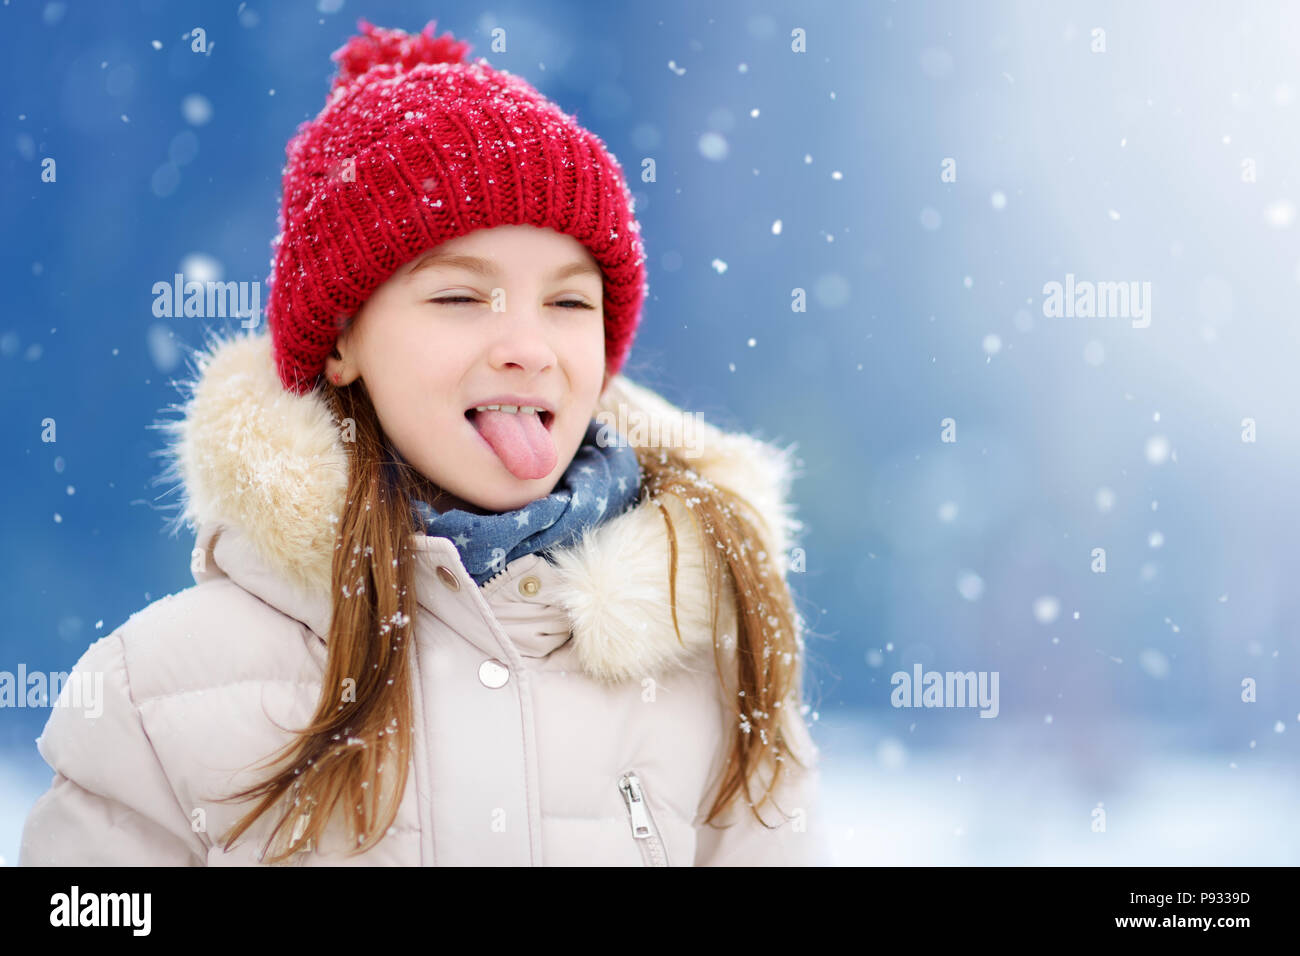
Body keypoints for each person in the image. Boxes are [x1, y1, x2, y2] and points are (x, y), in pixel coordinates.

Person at [18, 19, 826, 866]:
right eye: (458, 298)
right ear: (340, 341)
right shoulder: (159, 691)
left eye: (569, 303)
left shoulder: (711, 660)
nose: (528, 345)